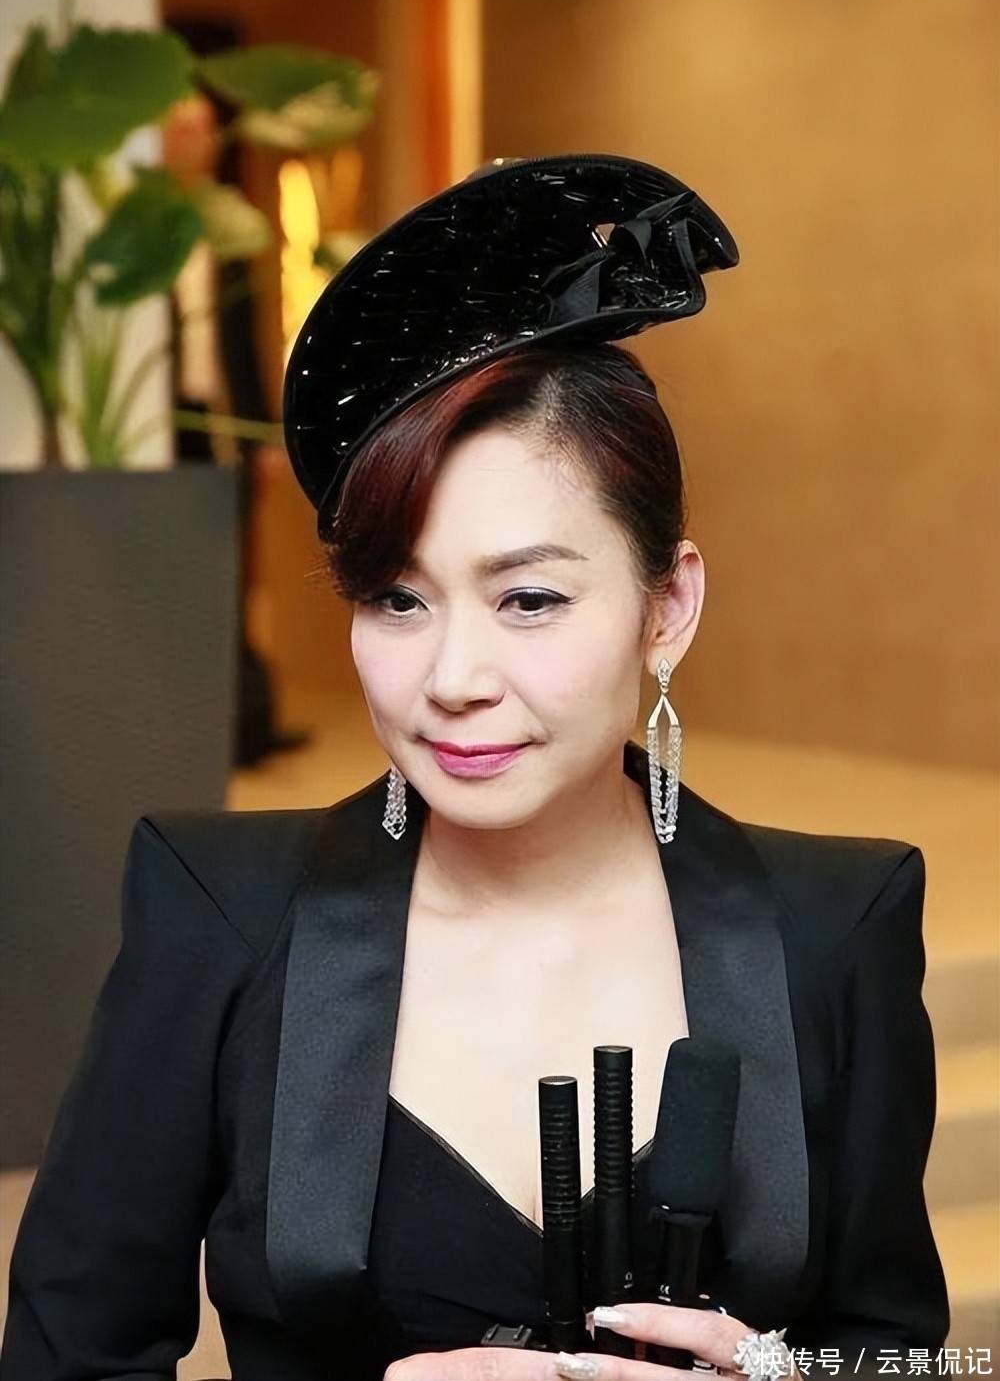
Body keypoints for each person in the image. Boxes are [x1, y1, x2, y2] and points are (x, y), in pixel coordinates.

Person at [0, 155, 949, 1380]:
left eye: (529, 598)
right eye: (397, 598)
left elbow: (897, 1353)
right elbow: (65, 1357)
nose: (452, 675)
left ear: (666, 605)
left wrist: (777, 1374)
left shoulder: (833, 925)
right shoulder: (221, 912)